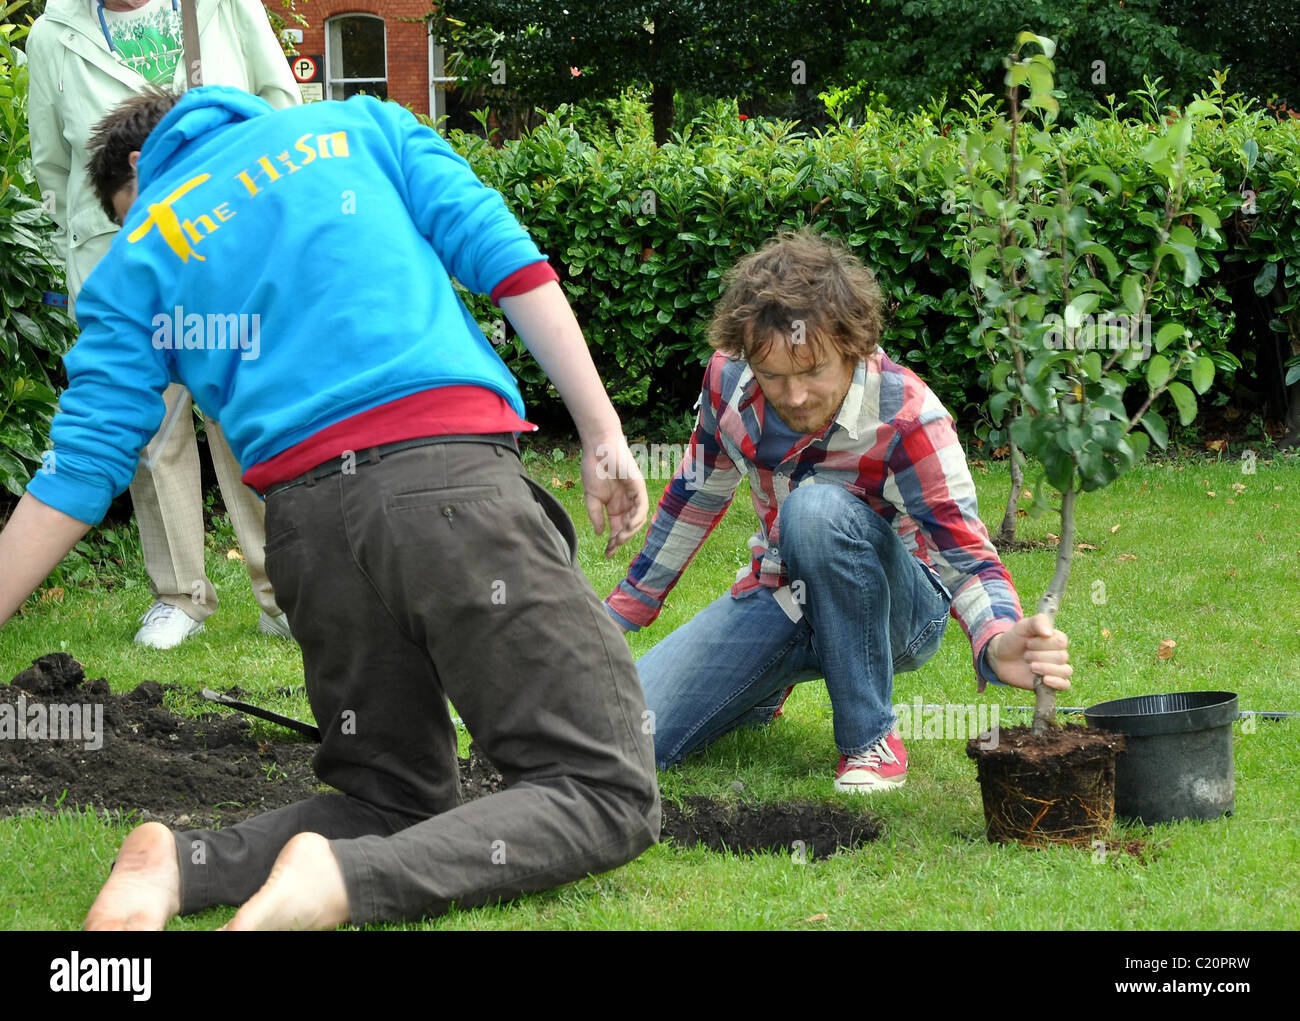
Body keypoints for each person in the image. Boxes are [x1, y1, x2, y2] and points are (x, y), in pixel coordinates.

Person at [0, 83, 659, 928]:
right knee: (604, 786)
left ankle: (177, 864)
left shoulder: (138, 256)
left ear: (142, 162)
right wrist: (601, 430)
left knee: (389, 796)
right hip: (448, 485)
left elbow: (80, 467)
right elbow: (505, 257)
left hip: (309, 534)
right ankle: (334, 885)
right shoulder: (358, 126)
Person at [605, 230, 1074, 793]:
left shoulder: (909, 417)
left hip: (898, 611)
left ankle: (869, 740)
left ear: (854, 346)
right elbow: (696, 494)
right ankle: (761, 683)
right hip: (783, 591)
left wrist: (996, 640)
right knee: (622, 738)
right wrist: (621, 611)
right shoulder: (727, 379)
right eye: (773, 374)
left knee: (816, 508)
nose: (794, 395)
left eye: (813, 371)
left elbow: (964, 556)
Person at [26, 0, 301, 648]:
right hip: (123, 256)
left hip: (233, 246)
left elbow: (278, 97)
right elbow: (53, 168)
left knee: (247, 415)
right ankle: (178, 593)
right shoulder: (53, 33)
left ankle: (286, 589)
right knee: (154, 428)